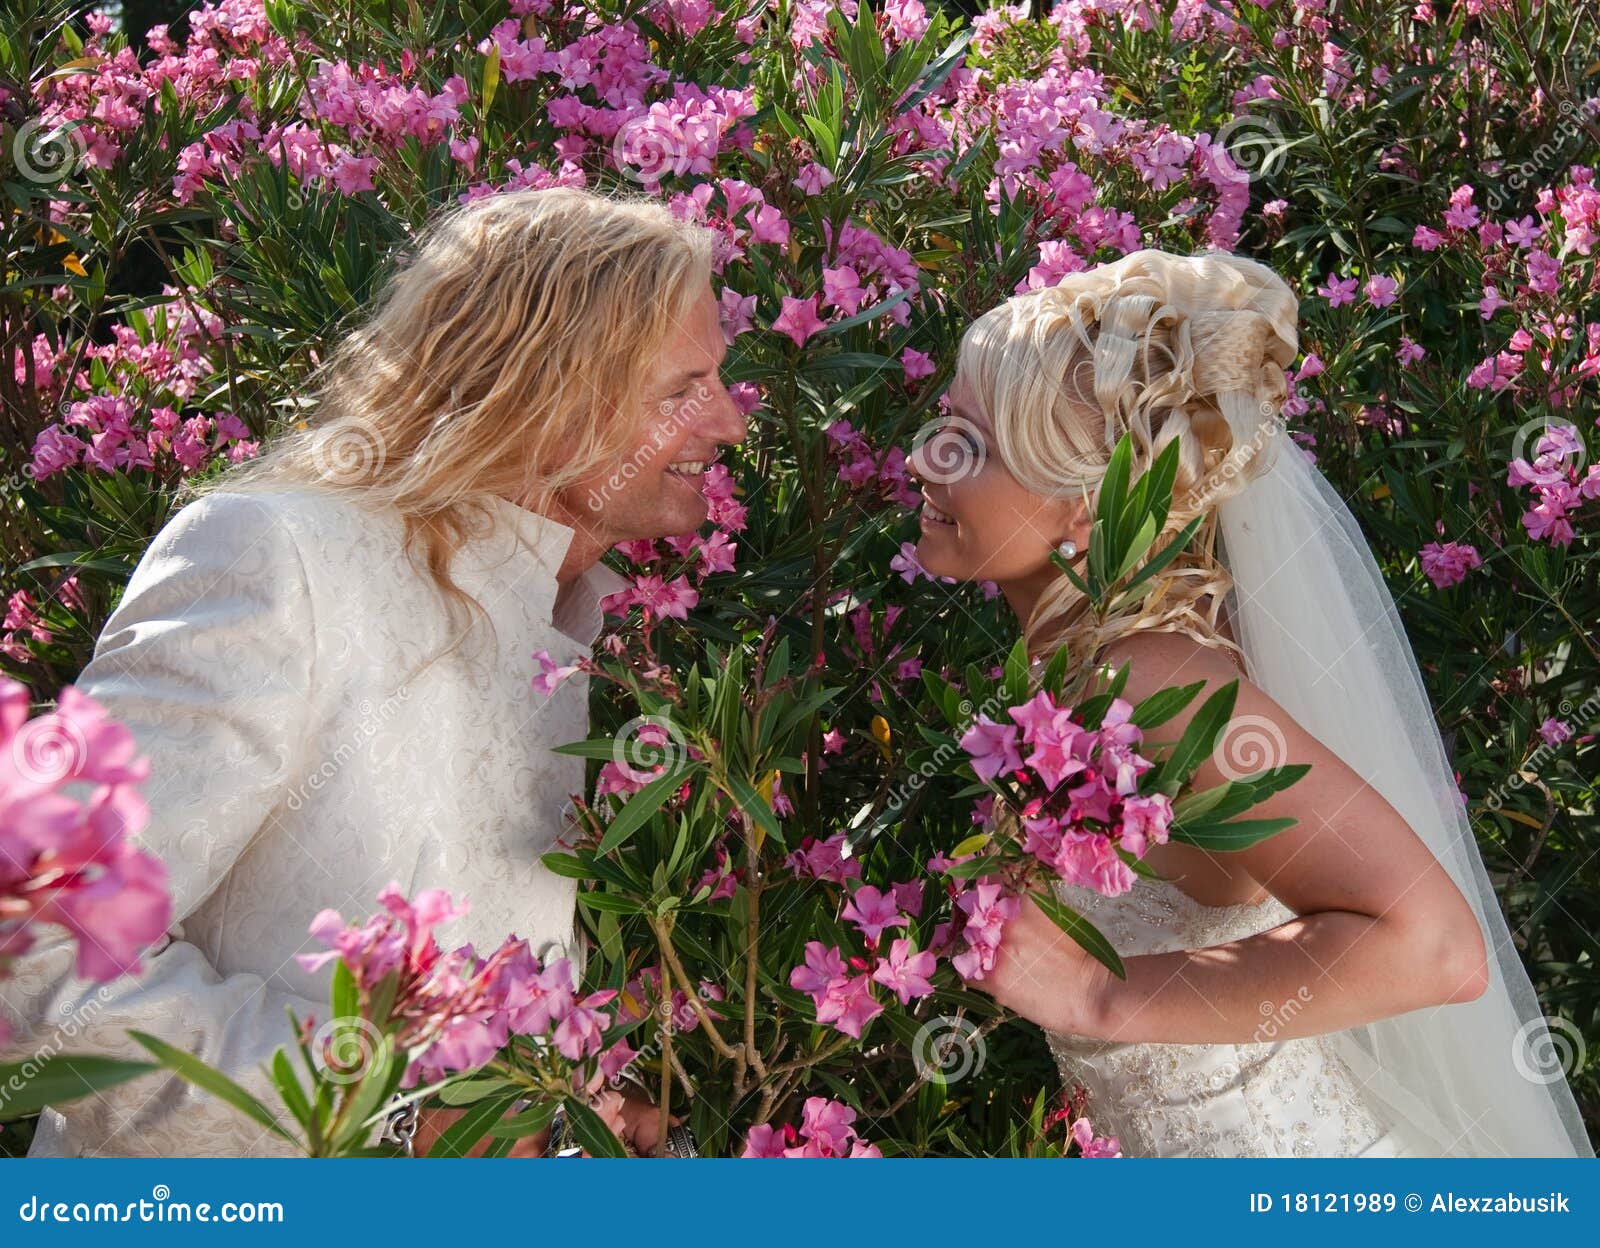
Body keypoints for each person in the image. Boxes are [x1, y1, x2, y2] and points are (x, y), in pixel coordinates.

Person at [1, 186, 746, 1157]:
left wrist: (579, 1113)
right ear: (553, 393)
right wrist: (383, 1116)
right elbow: (33, 942)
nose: (726, 423)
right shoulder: (280, 557)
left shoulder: (577, 620)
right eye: (681, 390)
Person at [904, 248, 1593, 1157]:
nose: (924, 458)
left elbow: (1434, 946)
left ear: (1085, 505)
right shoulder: (1073, 664)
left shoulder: (1155, 681)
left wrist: (1098, 996)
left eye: (974, 446)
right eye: (947, 423)